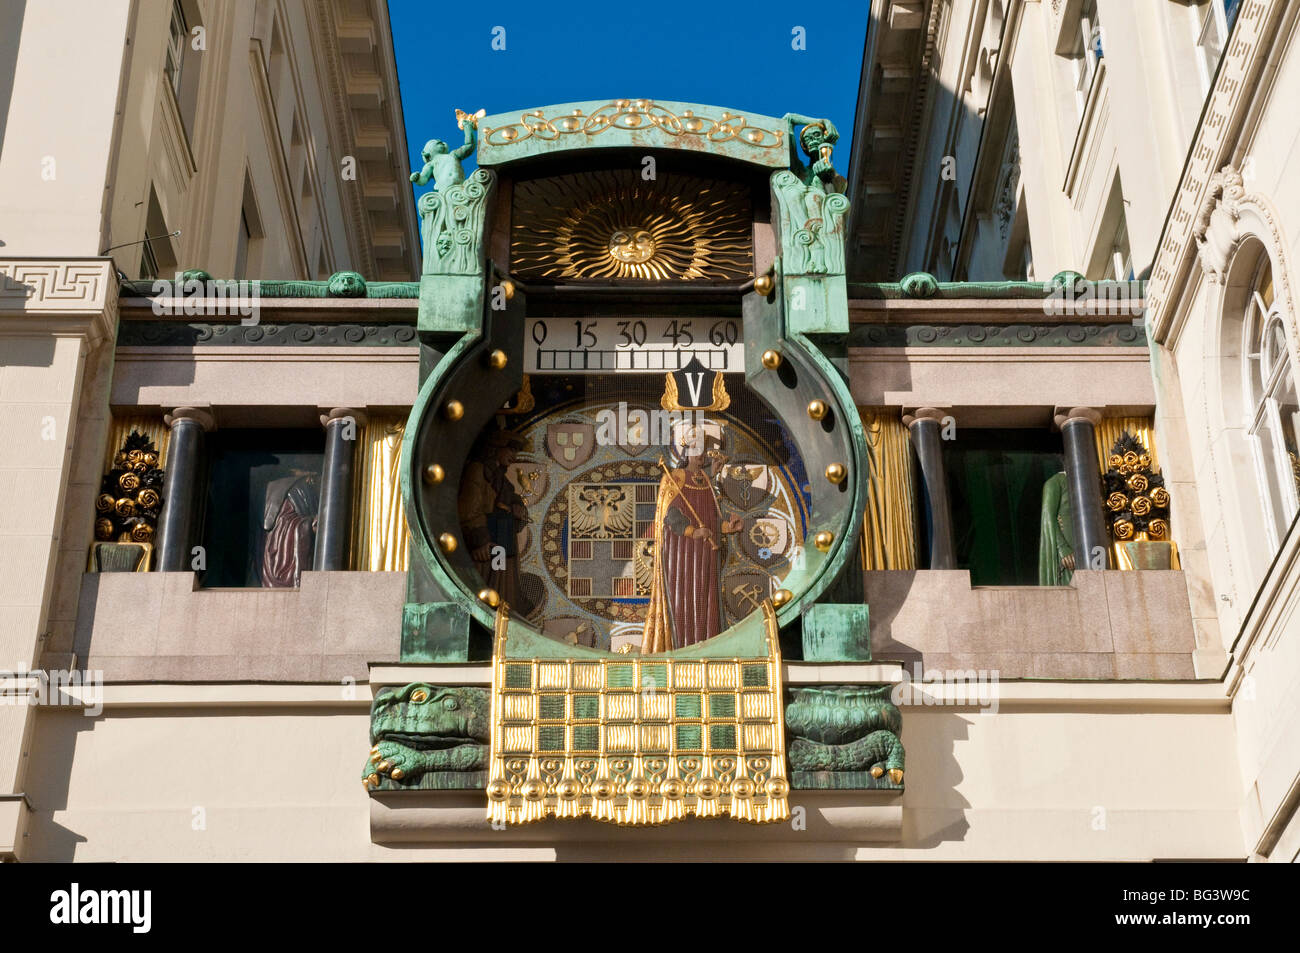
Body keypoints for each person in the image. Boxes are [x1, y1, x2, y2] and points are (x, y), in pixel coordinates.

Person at [639, 426, 743, 654]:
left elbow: (712, 517)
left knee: (707, 600)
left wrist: (728, 526)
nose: (701, 454)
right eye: (696, 449)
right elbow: (670, 515)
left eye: (703, 449)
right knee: (685, 600)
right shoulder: (674, 478)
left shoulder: (705, 478)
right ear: (685, 452)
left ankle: (709, 648)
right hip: (682, 556)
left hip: (706, 555)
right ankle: (683, 648)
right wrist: (691, 532)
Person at [459, 429, 530, 608]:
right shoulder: (478, 470)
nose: (513, 457)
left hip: (502, 542)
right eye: (511, 450)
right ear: (496, 448)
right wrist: (480, 540)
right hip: (488, 545)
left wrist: (517, 507)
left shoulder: (500, 478)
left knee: (503, 587)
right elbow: (469, 508)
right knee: (488, 588)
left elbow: (511, 498)